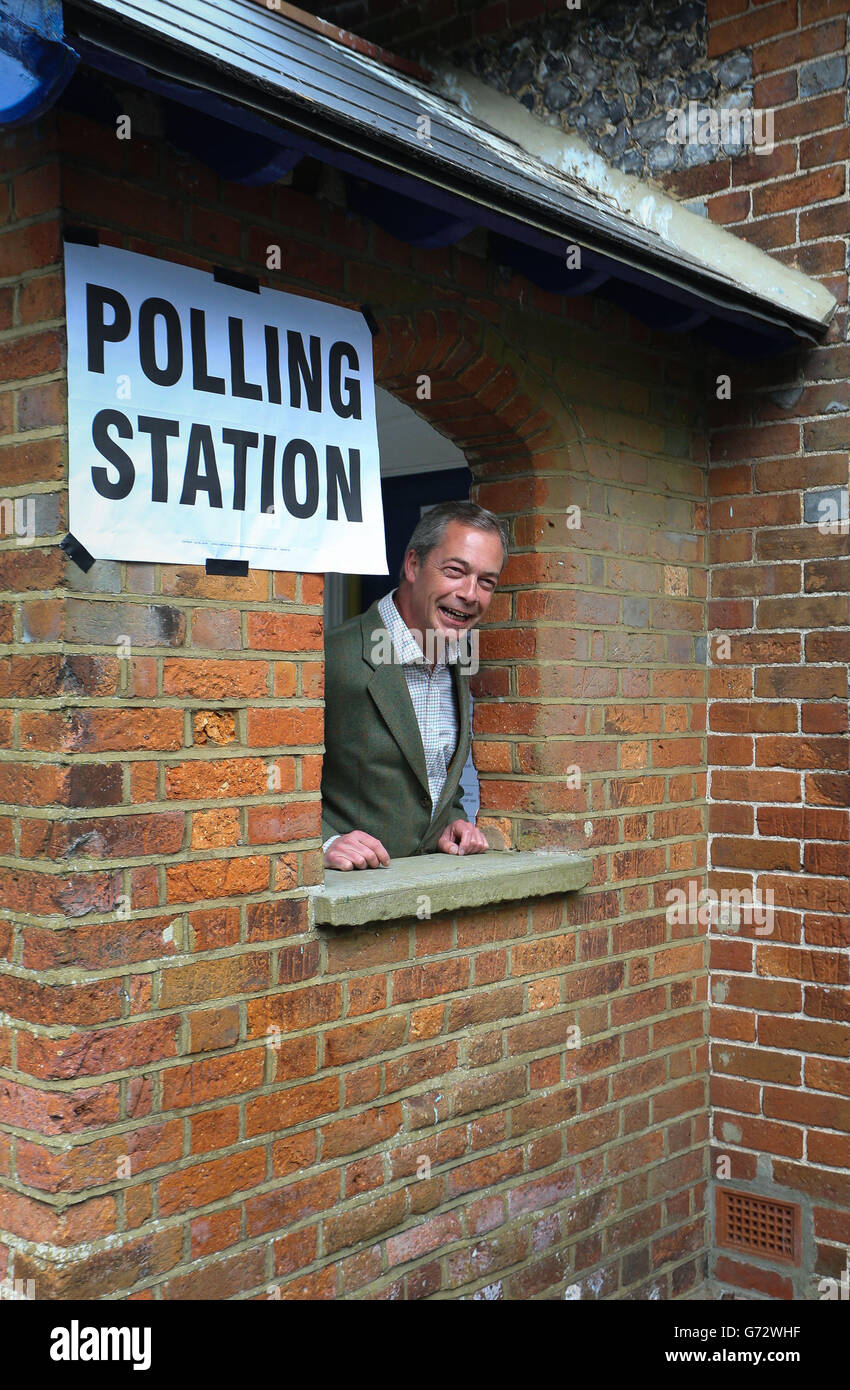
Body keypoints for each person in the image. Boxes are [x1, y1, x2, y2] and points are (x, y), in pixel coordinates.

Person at [321, 500, 508, 870]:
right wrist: (324, 842)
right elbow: (267, 776)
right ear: (412, 565)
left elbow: (432, 781)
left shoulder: (460, 661)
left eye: (486, 582)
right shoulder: (331, 656)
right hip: (347, 894)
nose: (471, 594)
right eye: (455, 571)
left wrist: (451, 821)